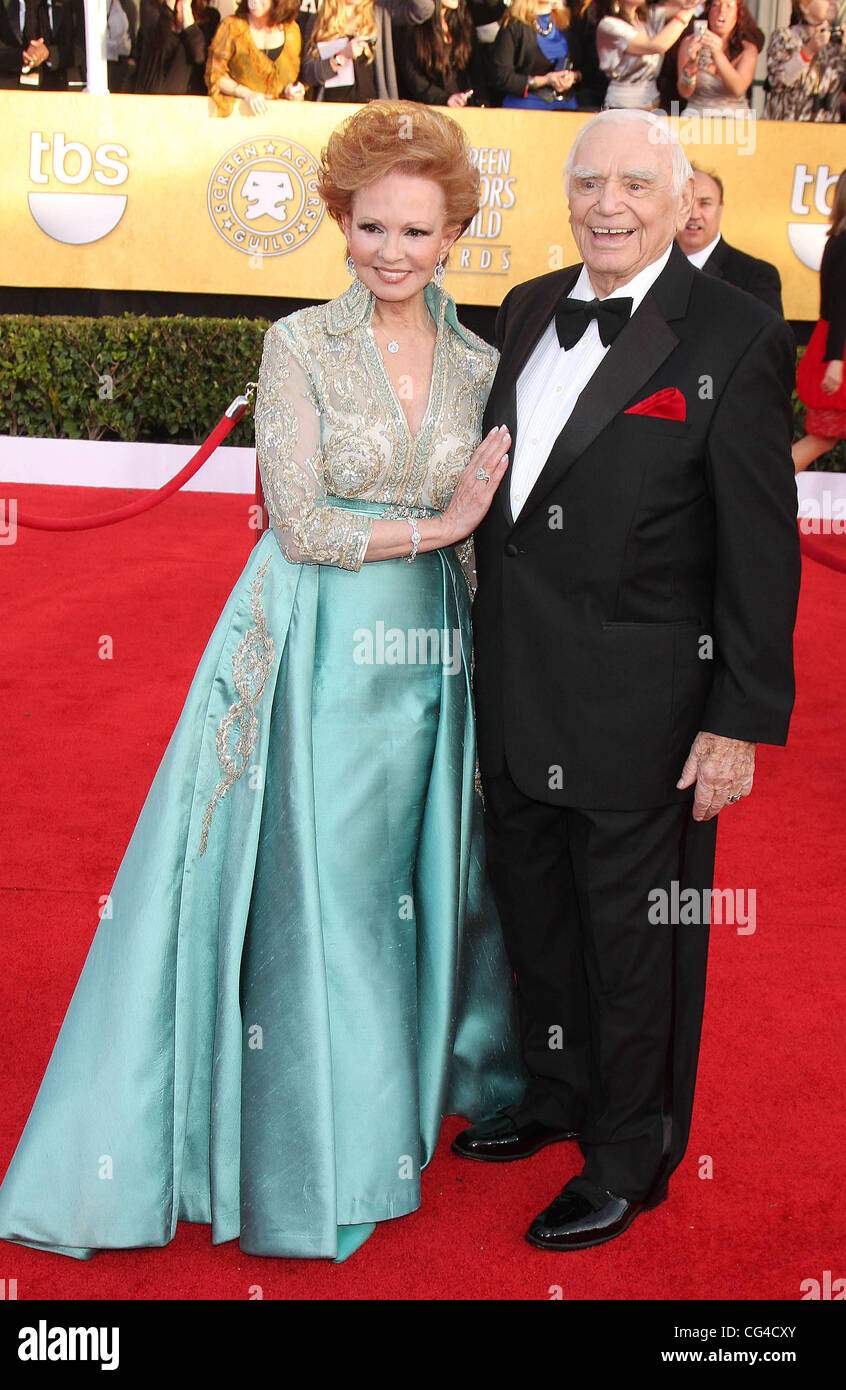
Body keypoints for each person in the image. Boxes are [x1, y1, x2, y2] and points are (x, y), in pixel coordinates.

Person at [0, 100, 526, 1266]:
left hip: (433, 659)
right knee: (324, 891)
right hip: (313, 645)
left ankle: (395, 1107)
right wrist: (437, 524)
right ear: (338, 223)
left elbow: (478, 546)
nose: (392, 251)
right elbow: (301, 513)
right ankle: (315, 1151)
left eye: (417, 232)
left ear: (454, 235)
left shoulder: (482, 359)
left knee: (409, 883)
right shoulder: (296, 345)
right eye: (370, 227)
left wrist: (487, 645)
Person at [454, 109, 800, 1251]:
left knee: (632, 936)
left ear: (680, 195)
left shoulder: (737, 335)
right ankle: (555, 1099)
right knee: (537, 917)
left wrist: (737, 719)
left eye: (632, 186)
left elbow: (759, 542)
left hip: (644, 706)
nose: (606, 205)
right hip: (514, 688)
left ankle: (628, 1151)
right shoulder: (524, 306)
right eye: (587, 182)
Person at [677, 165, 784, 314]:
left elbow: (770, 337)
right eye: (686, 203)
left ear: (720, 209)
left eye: (705, 203)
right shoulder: (646, 267)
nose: (694, 214)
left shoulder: (756, 276)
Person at [794, 170, 846, 472]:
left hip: (834, 346)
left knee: (821, 439)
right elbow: (840, 305)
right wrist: (836, 361)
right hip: (837, 348)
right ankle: (758, 497)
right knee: (821, 438)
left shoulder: (836, 241)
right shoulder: (841, 242)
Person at [298, 0, 435, 99]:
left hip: (372, 114)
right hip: (331, 112)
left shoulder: (380, 10)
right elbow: (309, 74)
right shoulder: (320, 20)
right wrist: (342, 57)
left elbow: (424, 9)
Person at [591, 0, 695, 107]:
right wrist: (685, 14)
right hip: (624, 104)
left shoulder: (646, 17)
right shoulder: (609, 25)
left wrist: (691, 5)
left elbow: (685, 4)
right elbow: (657, 45)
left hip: (652, 101)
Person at [205, 0, 304, 113]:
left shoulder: (293, 31)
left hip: (281, 120)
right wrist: (246, 93)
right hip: (241, 117)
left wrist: (293, 92)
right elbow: (214, 75)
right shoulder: (232, 26)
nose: (255, 2)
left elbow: (298, 79)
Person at [489, 0, 587, 110]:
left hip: (568, 109)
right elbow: (501, 77)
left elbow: (587, 69)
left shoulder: (568, 23)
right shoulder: (514, 26)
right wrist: (546, 80)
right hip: (526, 108)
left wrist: (573, 77)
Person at [395, 0, 489, 107]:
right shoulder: (413, 26)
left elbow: (476, 71)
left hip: (463, 107)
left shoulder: (463, 21)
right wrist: (443, 98)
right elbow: (412, 76)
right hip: (426, 109)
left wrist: (481, 100)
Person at [764, 0, 846, 122]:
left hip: (826, 130)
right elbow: (780, 79)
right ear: (804, 6)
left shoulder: (837, 44)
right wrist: (808, 51)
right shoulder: (785, 37)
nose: (832, 2)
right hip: (785, 126)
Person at [676, 0, 762, 116]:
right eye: (716, 5)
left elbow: (738, 89)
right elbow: (685, 92)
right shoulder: (689, 43)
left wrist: (717, 53)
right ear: (708, 11)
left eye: (729, 6)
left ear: (738, 14)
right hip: (697, 117)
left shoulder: (748, 50)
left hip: (735, 120)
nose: (721, 11)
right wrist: (692, 64)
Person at [0, 0, 83, 87]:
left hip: (60, 79)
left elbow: (83, 46)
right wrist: (22, 57)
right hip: (8, 76)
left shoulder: (75, 3)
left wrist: (48, 54)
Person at [135, 0, 219, 93]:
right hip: (151, 94)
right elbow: (158, 44)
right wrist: (168, 8)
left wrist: (187, 15)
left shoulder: (209, 16)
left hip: (183, 99)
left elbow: (199, 56)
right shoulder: (151, 5)